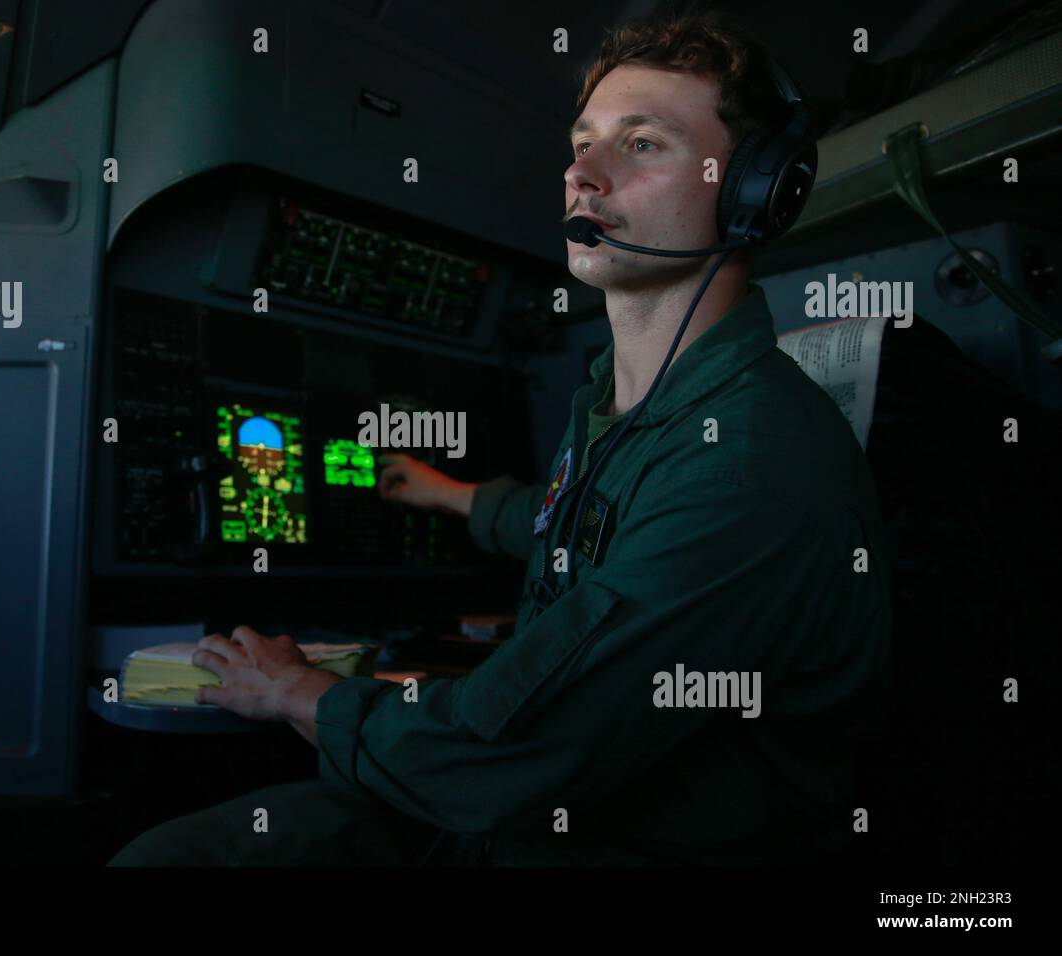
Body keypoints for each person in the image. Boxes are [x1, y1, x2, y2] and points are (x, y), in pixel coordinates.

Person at [109, 5, 892, 867]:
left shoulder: (750, 460)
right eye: (581, 140)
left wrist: (299, 693)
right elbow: (574, 525)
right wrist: (446, 494)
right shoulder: (616, 401)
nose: (581, 176)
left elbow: (510, 754)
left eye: (641, 144)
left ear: (753, 193)